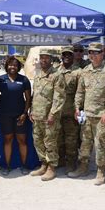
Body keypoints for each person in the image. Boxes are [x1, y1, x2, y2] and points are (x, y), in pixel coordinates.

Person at [70, 42, 105, 185]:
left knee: (101, 144)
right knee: (85, 142)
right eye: (90, 52)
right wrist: (77, 108)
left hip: (101, 115)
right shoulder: (85, 70)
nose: (92, 55)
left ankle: (101, 171)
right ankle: (83, 167)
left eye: (96, 52)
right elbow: (80, 91)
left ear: (103, 53)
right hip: (87, 114)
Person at [29, 48, 66, 181]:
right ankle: (43, 164)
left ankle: (51, 167)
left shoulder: (57, 75)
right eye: (42, 57)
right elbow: (35, 95)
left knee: (50, 142)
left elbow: (59, 98)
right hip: (37, 115)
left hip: (49, 117)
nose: (43, 60)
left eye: (46, 58)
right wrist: (31, 110)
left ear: (51, 59)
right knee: (38, 141)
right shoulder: (38, 74)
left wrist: (53, 114)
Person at [0, 56, 32, 176]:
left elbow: (28, 99)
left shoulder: (24, 80)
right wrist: (5, 100)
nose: (13, 67)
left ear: (18, 67)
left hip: (20, 116)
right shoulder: (0, 80)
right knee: (8, 140)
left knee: (22, 141)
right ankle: (6, 166)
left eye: (15, 65)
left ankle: (24, 165)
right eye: (10, 64)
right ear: (6, 66)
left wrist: (24, 114)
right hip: (5, 115)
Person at [56, 46, 81, 174]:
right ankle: (61, 160)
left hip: (71, 112)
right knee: (58, 138)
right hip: (58, 111)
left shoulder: (78, 72)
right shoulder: (56, 71)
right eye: (64, 54)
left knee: (71, 139)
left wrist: (78, 110)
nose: (66, 56)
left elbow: (81, 93)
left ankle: (71, 162)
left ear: (73, 56)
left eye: (69, 55)